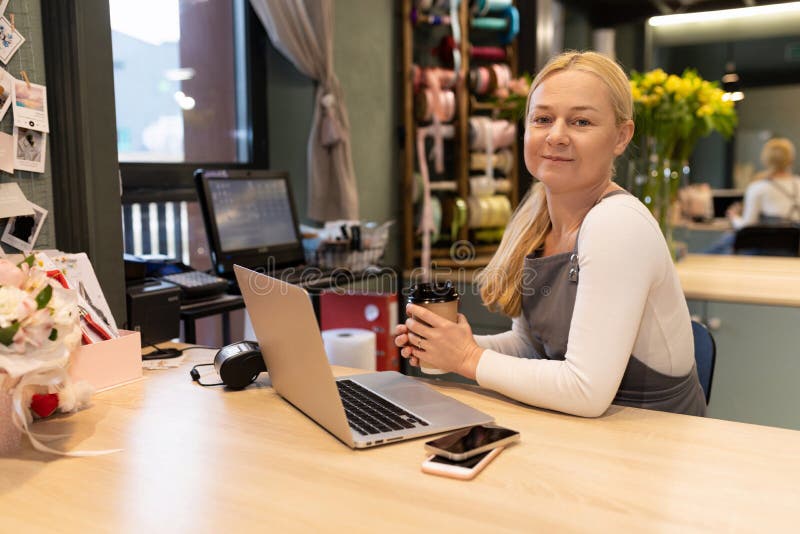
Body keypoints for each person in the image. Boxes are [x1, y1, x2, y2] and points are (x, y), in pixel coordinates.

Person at [395, 51, 706, 418]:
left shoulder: (618, 224)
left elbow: (585, 390)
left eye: (581, 122)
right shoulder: (536, 220)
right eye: (543, 119)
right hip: (579, 434)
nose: (557, 136)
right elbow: (531, 347)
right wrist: (450, 345)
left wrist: (467, 357)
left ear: (621, 137)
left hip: (652, 446)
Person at [727, 137, 799, 229]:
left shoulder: (758, 187)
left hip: (769, 242)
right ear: (791, 160)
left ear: (765, 160)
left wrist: (734, 217)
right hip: (796, 242)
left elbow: (747, 227)